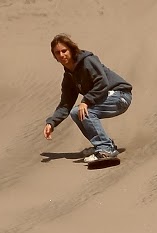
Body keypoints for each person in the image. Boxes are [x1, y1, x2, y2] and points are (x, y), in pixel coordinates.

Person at [43, 34, 133, 165]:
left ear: (71, 50)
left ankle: (105, 149)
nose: (62, 55)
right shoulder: (69, 77)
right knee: (75, 112)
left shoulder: (87, 61)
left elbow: (102, 82)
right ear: (54, 56)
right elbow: (65, 104)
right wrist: (51, 123)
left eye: (64, 50)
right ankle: (104, 145)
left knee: (86, 111)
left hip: (120, 96)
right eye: (57, 53)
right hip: (108, 98)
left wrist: (86, 101)